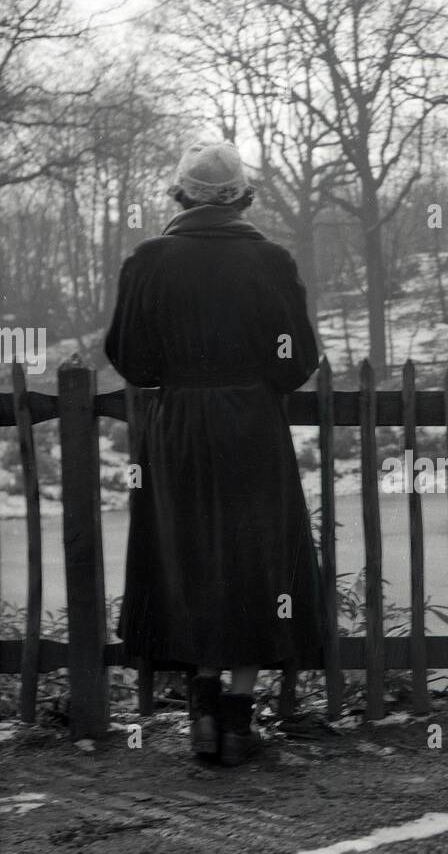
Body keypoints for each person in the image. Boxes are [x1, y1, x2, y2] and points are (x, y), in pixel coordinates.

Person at [105, 140, 323, 766]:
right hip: (250, 426)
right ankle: (236, 720)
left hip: (176, 430)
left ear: (181, 194)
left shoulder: (148, 261)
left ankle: (200, 709)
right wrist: (253, 381)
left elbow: (133, 360)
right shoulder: (270, 261)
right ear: (241, 197)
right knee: (257, 560)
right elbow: (295, 360)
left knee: (187, 554)